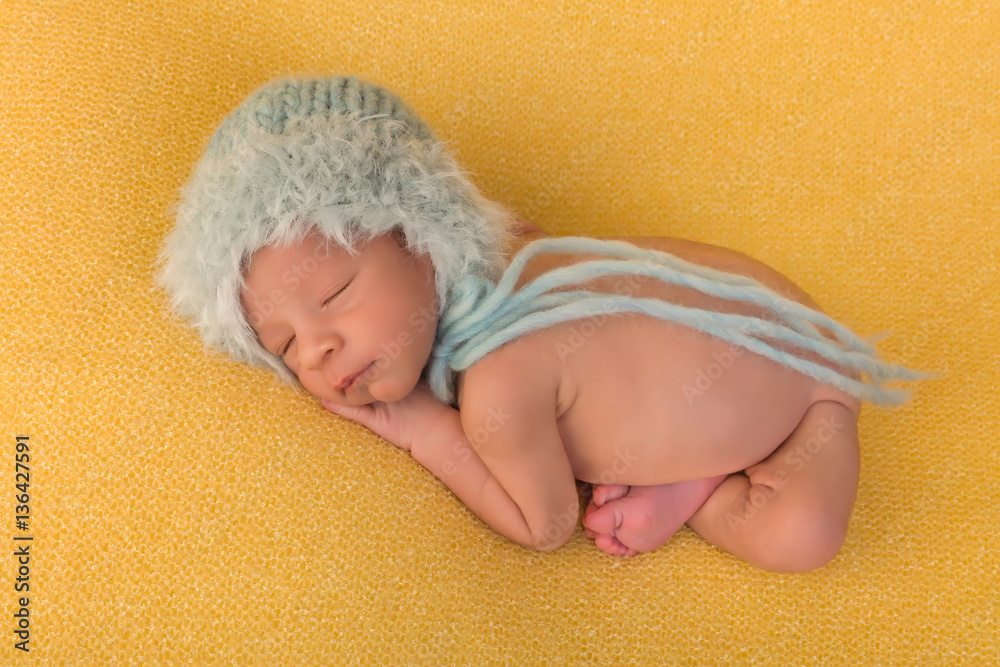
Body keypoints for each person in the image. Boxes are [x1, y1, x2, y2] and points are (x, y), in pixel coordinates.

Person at [159, 76, 927, 573]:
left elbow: (545, 520)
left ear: (422, 235)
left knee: (798, 538)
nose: (317, 347)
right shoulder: (527, 257)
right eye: (285, 346)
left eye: (333, 293)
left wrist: (425, 430)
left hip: (814, 401)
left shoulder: (497, 388)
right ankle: (687, 470)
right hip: (776, 307)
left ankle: (703, 484)